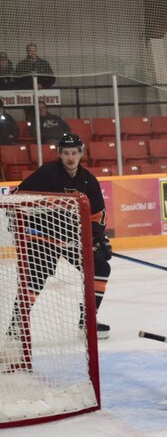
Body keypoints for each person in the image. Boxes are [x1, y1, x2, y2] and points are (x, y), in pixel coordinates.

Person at [11, 134, 111, 339]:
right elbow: (17, 196)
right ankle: (16, 325)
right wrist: (35, 219)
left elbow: (97, 214)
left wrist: (97, 238)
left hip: (71, 240)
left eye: (74, 153)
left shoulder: (87, 179)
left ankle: (87, 319)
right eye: (66, 153)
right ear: (59, 154)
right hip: (43, 239)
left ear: (81, 153)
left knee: (100, 268)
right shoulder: (47, 173)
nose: (70, 157)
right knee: (36, 277)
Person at [15, 43, 55, 122]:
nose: (33, 52)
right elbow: (17, 81)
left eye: (34, 50)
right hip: (27, 96)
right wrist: (30, 85)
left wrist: (42, 85)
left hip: (42, 95)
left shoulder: (44, 63)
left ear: (37, 51)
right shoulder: (21, 65)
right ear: (27, 51)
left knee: (43, 114)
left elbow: (52, 79)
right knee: (30, 116)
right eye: (30, 50)